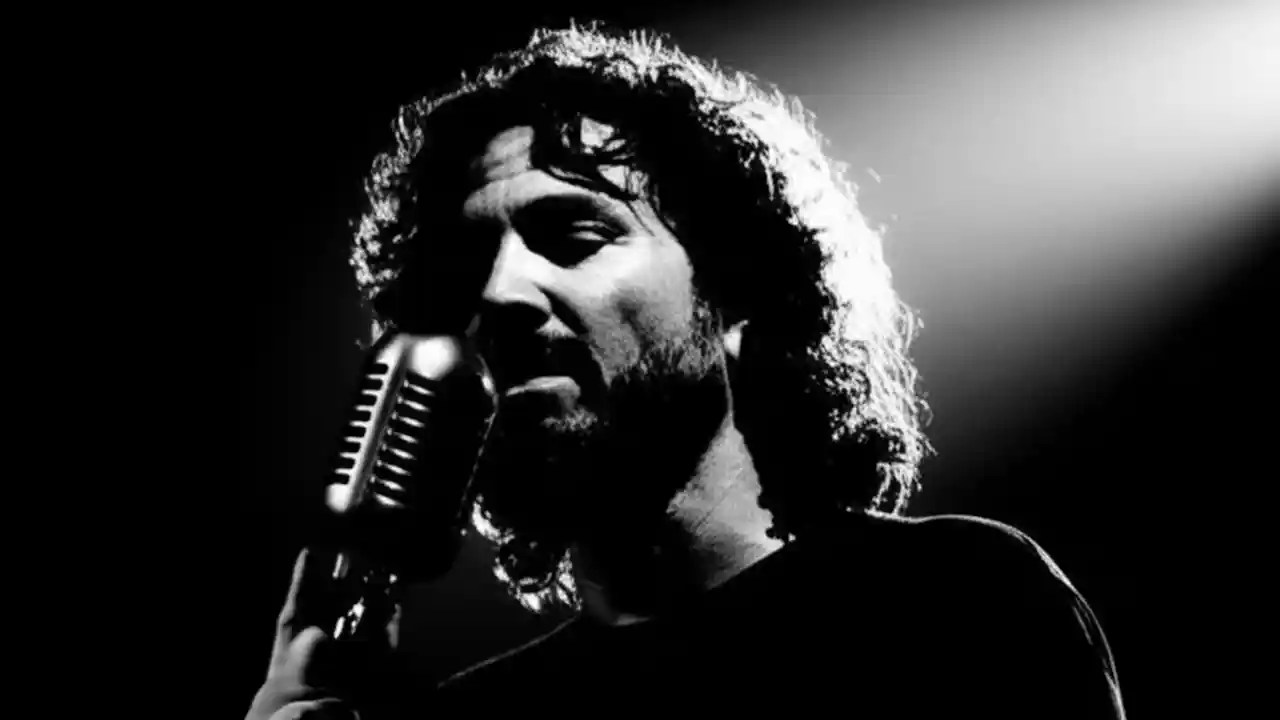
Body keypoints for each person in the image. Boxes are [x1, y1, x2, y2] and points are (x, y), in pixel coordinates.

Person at [247, 23, 1127, 719]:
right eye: (468, 266)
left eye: (574, 236)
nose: (501, 293)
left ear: (736, 294)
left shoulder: (952, 600)